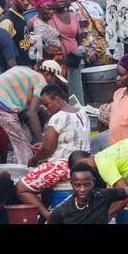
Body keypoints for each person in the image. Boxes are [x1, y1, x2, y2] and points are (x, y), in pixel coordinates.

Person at [13, 80, 90, 220]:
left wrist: (34, 158)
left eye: (47, 104)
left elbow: (47, 149)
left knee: (20, 188)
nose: (45, 109)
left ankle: (50, 217)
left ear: (57, 100)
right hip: (83, 164)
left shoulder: (57, 118)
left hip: (63, 166)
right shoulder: (82, 112)